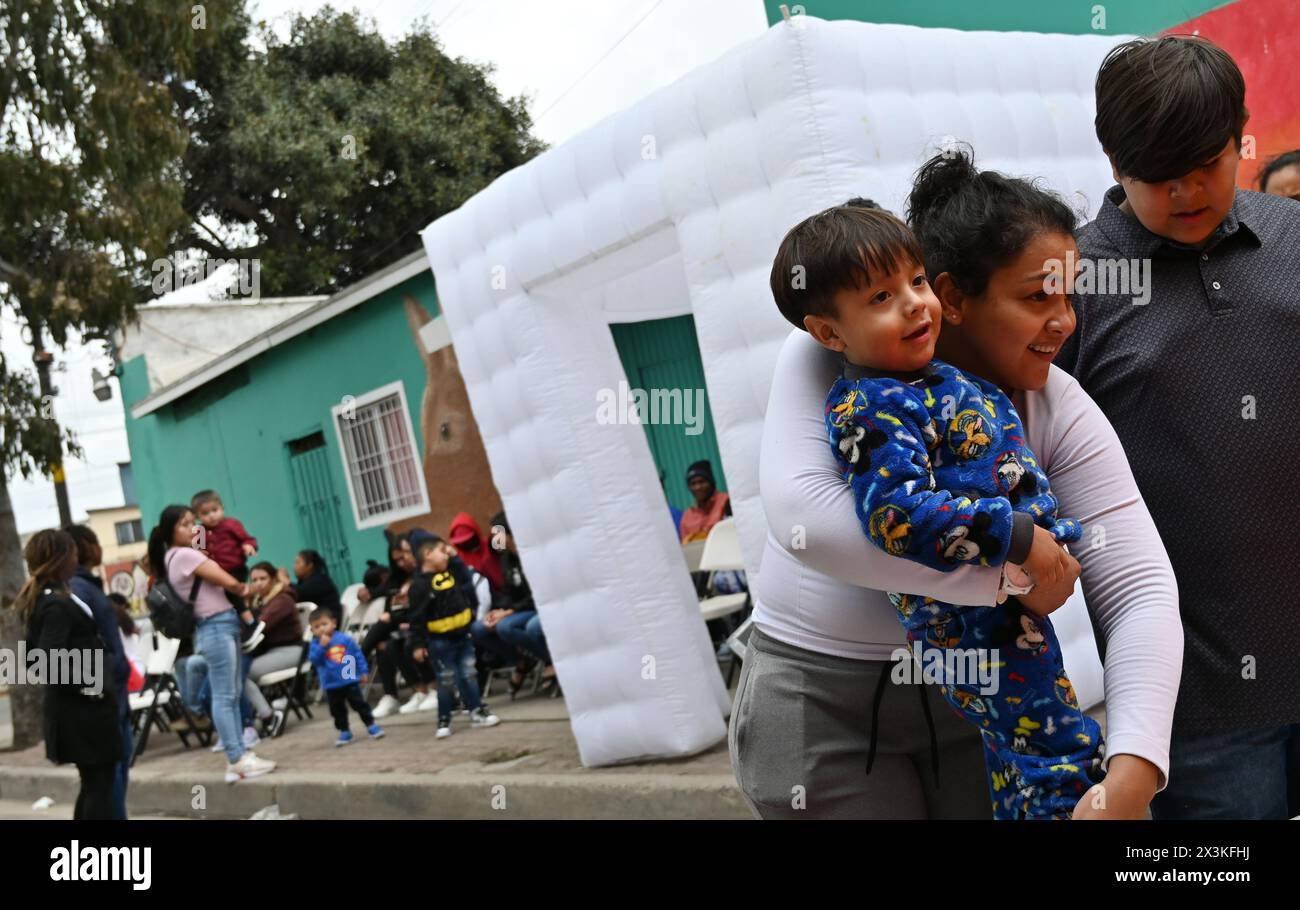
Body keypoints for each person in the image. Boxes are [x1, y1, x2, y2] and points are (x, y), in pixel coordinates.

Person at [733, 172, 1179, 819]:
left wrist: (1133, 772)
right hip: (825, 699)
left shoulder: (1050, 402)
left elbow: (1137, 586)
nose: (1064, 321)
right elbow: (812, 524)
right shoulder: (835, 361)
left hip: (974, 696)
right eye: (1036, 297)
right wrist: (1012, 570)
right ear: (956, 296)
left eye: (1068, 296)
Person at [1057, 36, 1300, 819]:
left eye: (1210, 162)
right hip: (1195, 711)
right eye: (1160, 176)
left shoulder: (1293, 239)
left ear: (1242, 135)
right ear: (1112, 158)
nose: (1190, 190)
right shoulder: (1073, 287)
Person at [148, 504, 276, 782]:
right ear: (170, 530)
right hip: (215, 626)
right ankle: (236, 758)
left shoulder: (179, 554)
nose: (193, 529)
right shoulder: (182, 555)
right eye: (185, 524)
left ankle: (239, 756)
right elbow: (223, 577)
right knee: (225, 695)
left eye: (194, 523)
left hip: (218, 625)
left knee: (229, 692)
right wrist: (244, 588)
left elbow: (211, 561)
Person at [15, 529, 122, 819]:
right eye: (73, 551)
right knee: (99, 785)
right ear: (60, 558)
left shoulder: (46, 599)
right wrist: (91, 687)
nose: (77, 556)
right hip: (83, 713)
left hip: (77, 711)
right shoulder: (55, 604)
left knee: (94, 785)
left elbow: (32, 658)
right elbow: (46, 661)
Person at [61, 524, 133, 820]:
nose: (100, 547)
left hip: (115, 693)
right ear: (83, 548)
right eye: (95, 541)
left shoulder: (87, 586)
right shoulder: (78, 590)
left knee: (111, 776)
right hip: (107, 697)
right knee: (108, 778)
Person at [407, 539, 500, 738]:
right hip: (439, 641)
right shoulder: (419, 586)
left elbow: (466, 578)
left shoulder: (452, 573)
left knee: (468, 674)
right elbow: (416, 618)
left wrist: (455, 556)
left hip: (463, 636)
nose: (447, 554)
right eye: (442, 551)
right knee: (446, 679)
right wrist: (417, 644)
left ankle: (477, 710)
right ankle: (444, 718)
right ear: (427, 555)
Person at [484, 512, 558, 696]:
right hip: (521, 609)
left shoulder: (531, 553)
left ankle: (551, 660)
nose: (495, 540)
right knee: (497, 627)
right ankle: (528, 659)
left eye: (497, 535)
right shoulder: (506, 559)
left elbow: (539, 592)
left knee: (531, 627)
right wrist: (500, 610)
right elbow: (508, 591)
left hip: (541, 605)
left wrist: (509, 611)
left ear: (509, 533)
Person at [364, 534, 437, 717]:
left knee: (391, 626)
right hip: (403, 624)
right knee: (384, 646)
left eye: (404, 556)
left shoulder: (426, 572)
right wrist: (364, 593)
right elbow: (379, 591)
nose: (402, 562)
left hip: (423, 621)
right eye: (397, 560)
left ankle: (434, 688)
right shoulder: (397, 580)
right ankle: (407, 693)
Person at [307, 607, 383, 746]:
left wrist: (363, 672)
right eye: (317, 627)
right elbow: (314, 660)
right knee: (337, 710)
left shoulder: (344, 639)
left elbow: (357, 655)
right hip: (331, 684)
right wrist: (322, 647)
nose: (322, 629)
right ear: (312, 630)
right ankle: (344, 730)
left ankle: (370, 724)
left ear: (333, 623)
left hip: (349, 679)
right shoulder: (315, 645)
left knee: (359, 704)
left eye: (324, 624)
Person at [240, 561, 298, 738]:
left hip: (290, 651)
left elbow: (258, 628)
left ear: (273, 579)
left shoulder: (282, 599)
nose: (258, 583)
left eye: (263, 579)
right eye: (254, 579)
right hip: (269, 652)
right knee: (237, 670)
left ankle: (269, 717)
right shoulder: (260, 600)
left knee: (241, 675)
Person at [191, 489, 257, 606]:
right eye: (205, 513)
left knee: (233, 592)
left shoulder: (231, 524)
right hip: (216, 571)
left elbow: (247, 539)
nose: (211, 516)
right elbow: (197, 551)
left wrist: (249, 546)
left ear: (222, 508)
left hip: (235, 568)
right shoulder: (200, 531)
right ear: (197, 516)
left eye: (214, 510)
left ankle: (248, 617)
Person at [447, 512, 503, 591]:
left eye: (470, 540)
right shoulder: (459, 560)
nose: (468, 544)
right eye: (463, 543)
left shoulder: (490, 546)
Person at [678, 460, 731, 543]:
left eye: (702, 482)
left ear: (711, 482)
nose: (698, 487)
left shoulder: (726, 502)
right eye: (693, 484)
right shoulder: (686, 518)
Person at [292, 549, 343, 624]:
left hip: (328, 625)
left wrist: (285, 583)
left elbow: (299, 593)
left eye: (298, 563)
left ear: (309, 565)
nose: (294, 567)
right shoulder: (304, 582)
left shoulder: (320, 580)